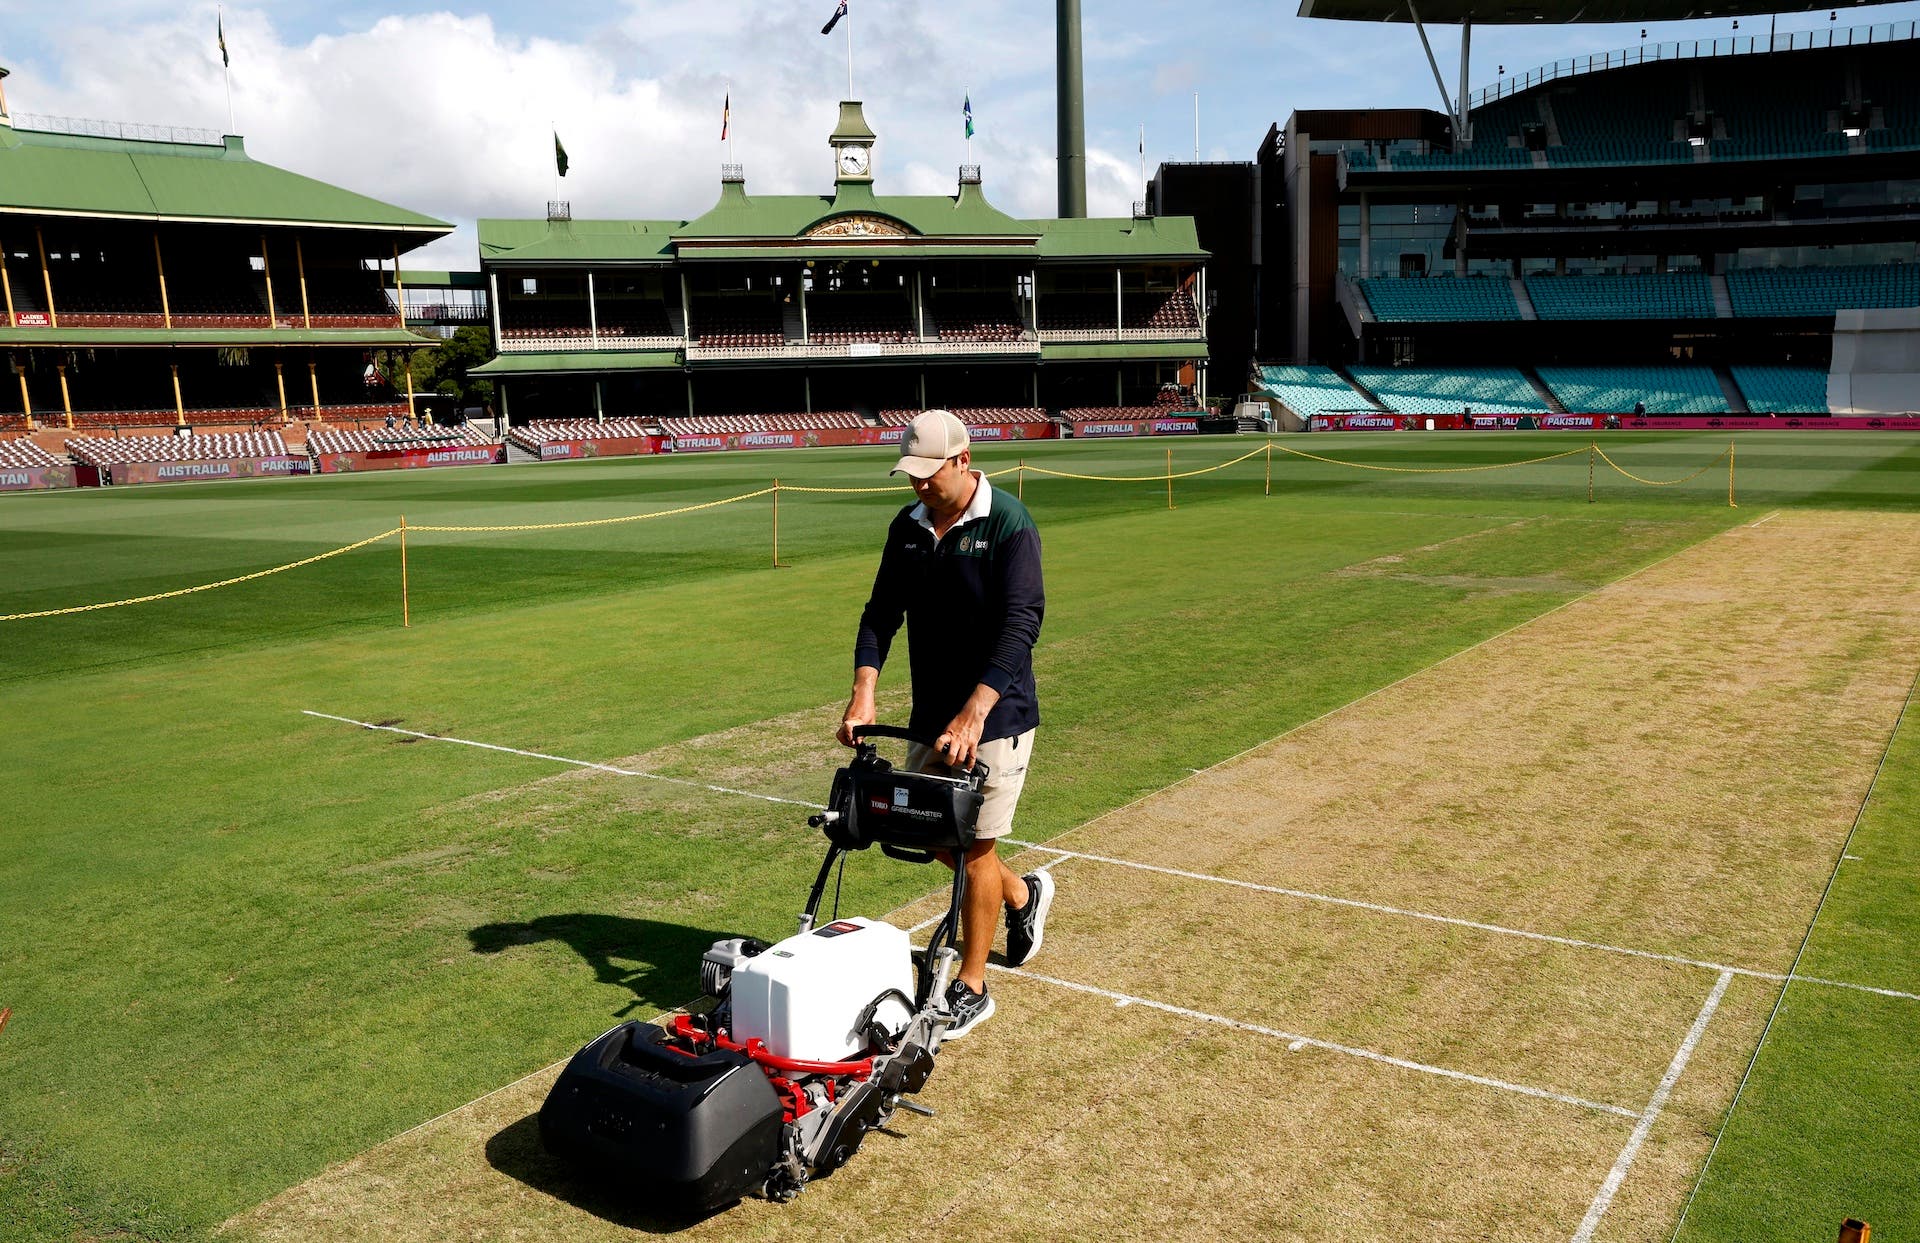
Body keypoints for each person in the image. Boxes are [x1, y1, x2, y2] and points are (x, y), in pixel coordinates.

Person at [839, 409, 1053, 1039]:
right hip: (932, 715)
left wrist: (974, 712)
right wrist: (864, 692)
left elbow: (1022, 625)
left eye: (929, 473)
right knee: (928, 830)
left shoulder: (1008, 523)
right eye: (911, 474)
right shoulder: (907, 528)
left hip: (996, 712)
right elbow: (880, 612)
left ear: (962, 460)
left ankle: (972, 985)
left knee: (975, 846)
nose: (919, 485)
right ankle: (1021, 897)